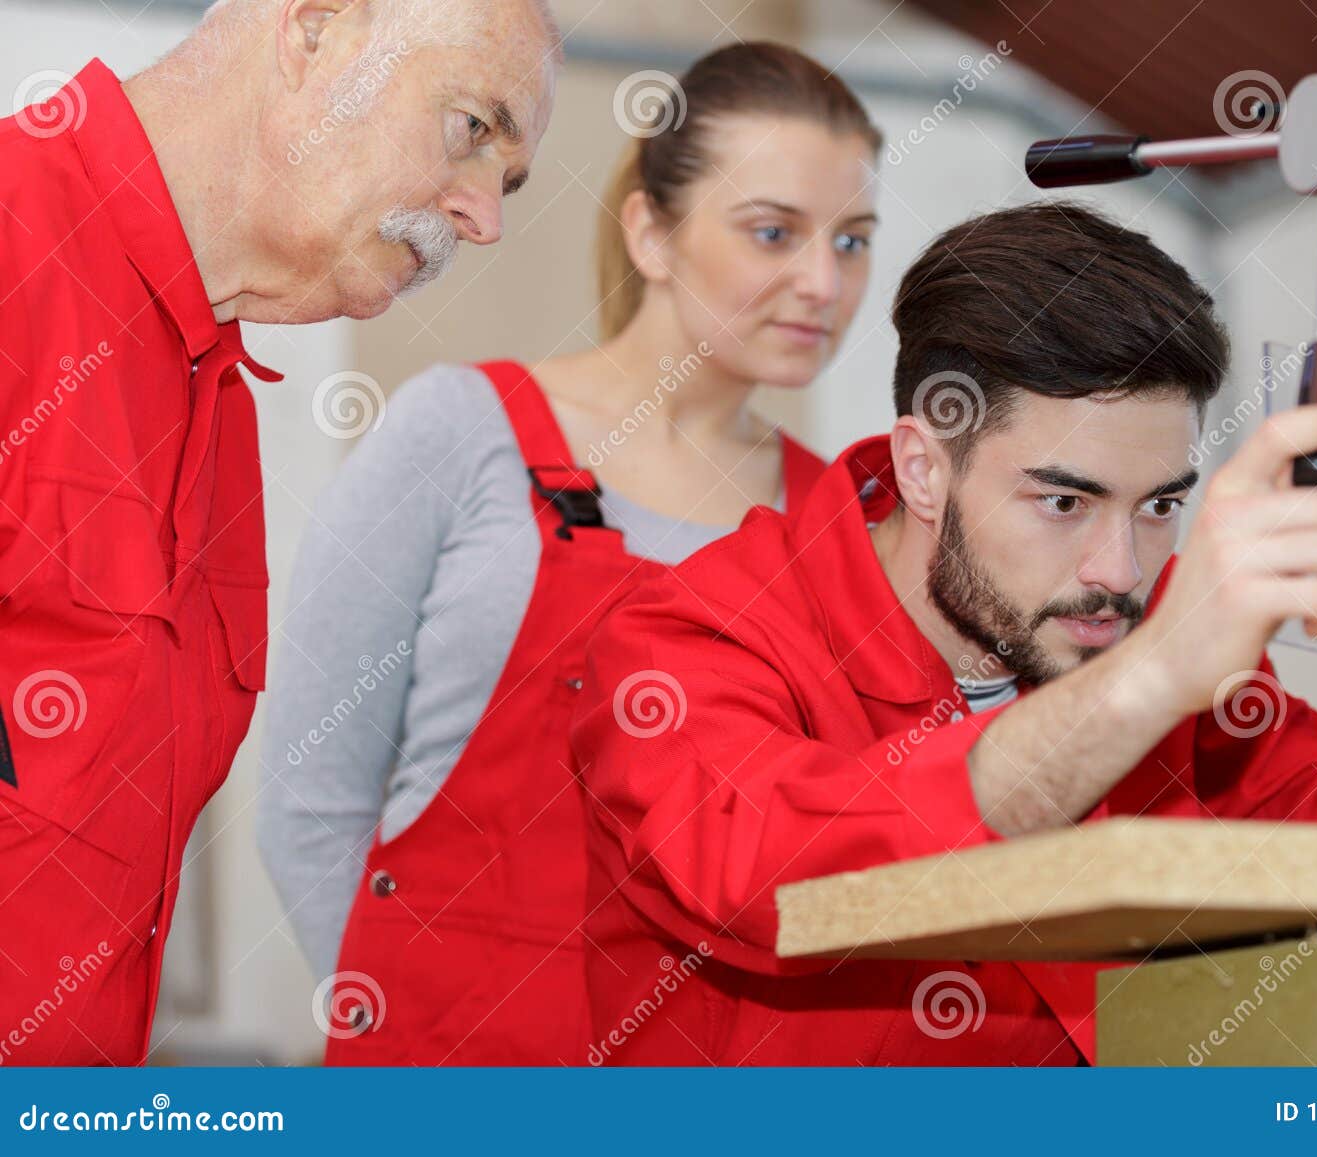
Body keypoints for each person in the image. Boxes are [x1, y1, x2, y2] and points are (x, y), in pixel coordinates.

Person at [571, 200, 1317, 1066]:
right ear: (924, 468)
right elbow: (777, 876)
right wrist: (1146, 680)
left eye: (1159, 506)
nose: (1118, 570)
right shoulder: (680, 645)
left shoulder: (1166, 662)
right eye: (1063, 501)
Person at [256, 42, 882, 1065]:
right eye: (774, 231)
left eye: (853, 240)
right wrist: (410, 1031)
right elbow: (309, 799)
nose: (822, 281)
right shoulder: (461, 431)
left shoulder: (839, 527)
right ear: (651, 231)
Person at [0, 0, 559, 1066]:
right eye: (474, 129)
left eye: (512, 179)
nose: (484, 216)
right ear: (314, 33)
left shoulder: (219, 405)